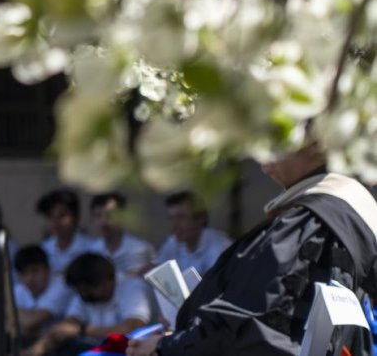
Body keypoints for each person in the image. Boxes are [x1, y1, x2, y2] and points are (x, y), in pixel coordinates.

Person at [127, 145, 377, 356]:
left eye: (275, 141)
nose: (263, 161)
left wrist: (163, 346)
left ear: (317, 144)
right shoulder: (342, 217)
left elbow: (251, 327)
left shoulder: (308, 223)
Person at [24, 252, 152, 356]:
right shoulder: (84, 295)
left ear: (107, 280)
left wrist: (82, 330)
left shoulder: (132, 287)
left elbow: (133, 327)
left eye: (89, 289)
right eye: (81, 291)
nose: (85, 294)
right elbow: (68, 324)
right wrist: (33, 351)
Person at [154, 193, 227, 278]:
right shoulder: (173, 241)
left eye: (181, 217)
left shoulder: (220, 246)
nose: (174, 225)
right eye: (171, 218)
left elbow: (215, 283)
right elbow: (158, 269)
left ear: (201, 218)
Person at [13, 243, 74, 340]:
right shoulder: (19, 289)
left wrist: (15, 313)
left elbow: (30, 322)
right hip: (33, 342)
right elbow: (9, 328)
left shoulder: (61, 286)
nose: (30, 278)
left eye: (35, 271)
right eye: (24, 273)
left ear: (48, 269)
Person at [88, 192, 156, 277]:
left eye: (110, 215)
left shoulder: (140, 249)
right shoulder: (91, 251)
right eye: (98, 216)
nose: (103, 222)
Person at [38, 189, 91, 276]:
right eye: (51, 216)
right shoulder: (44, 249)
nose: (55, 222)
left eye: (61, 215)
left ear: (76, 217)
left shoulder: (90, 248)